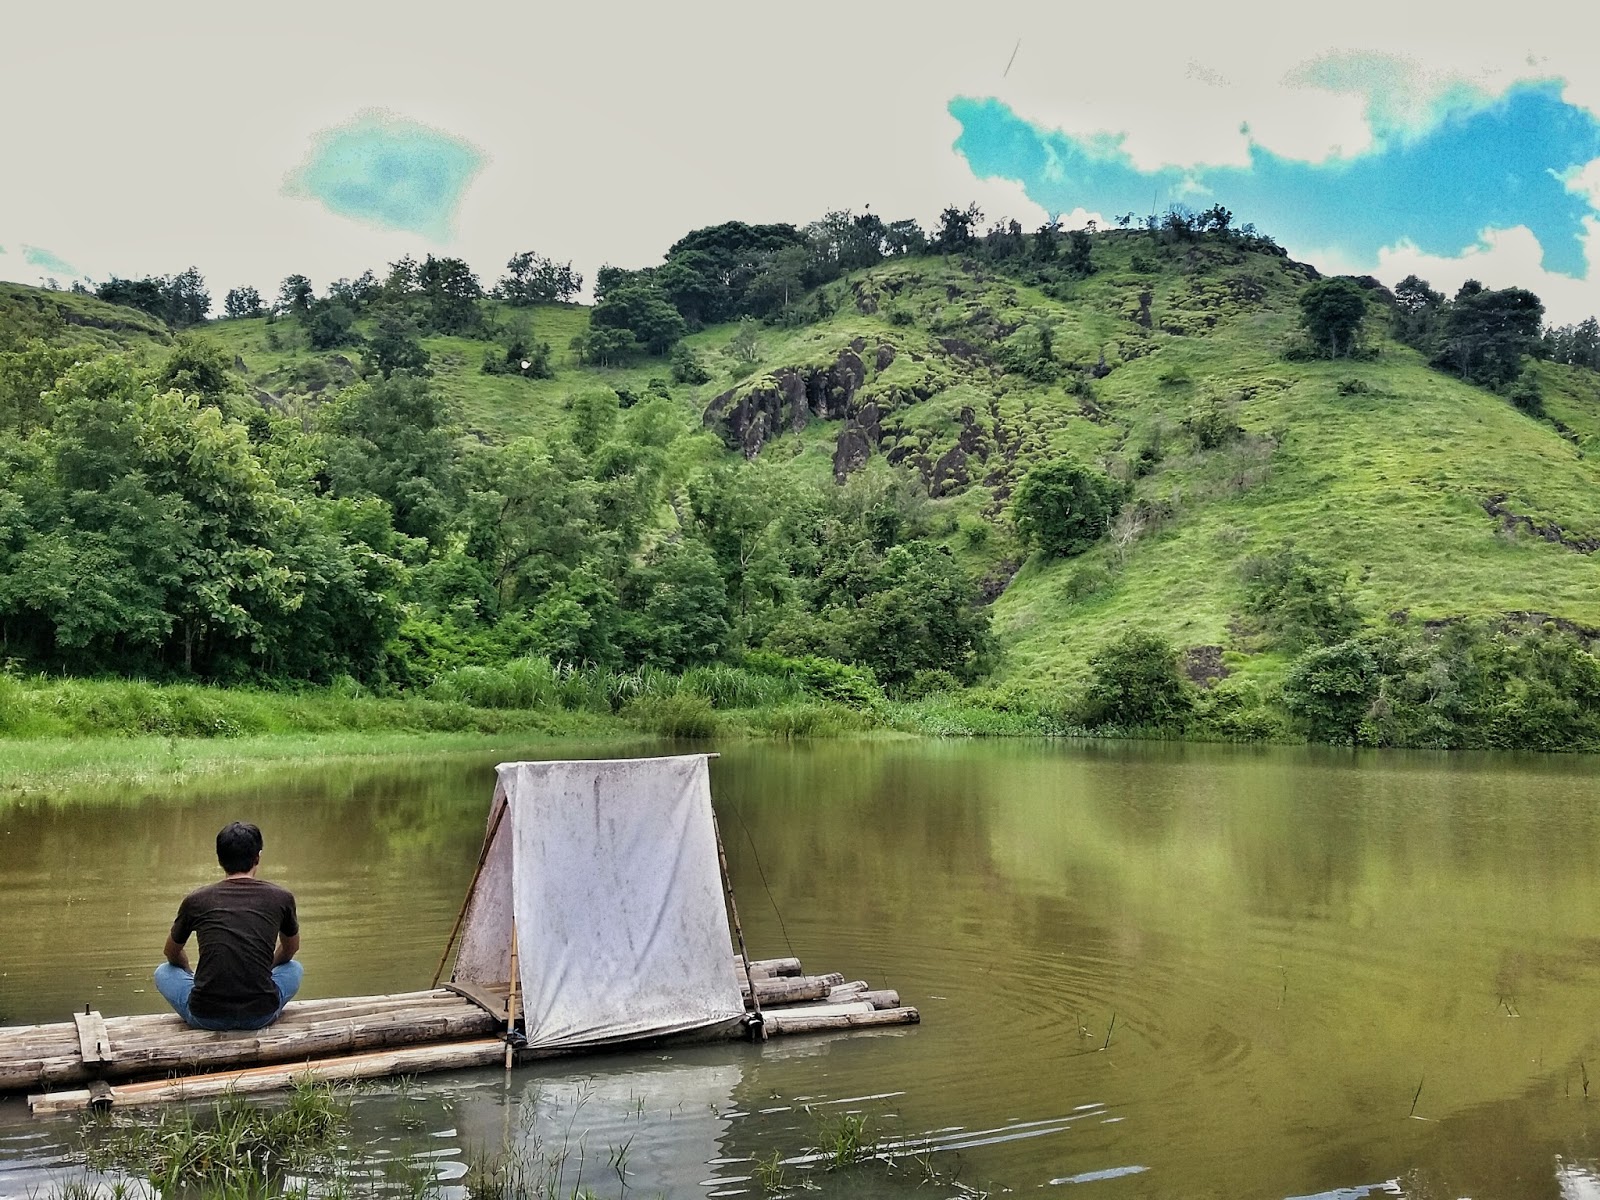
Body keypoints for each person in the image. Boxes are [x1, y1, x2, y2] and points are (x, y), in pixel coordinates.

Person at [154, 821, 303, 1031]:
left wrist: (190, 974)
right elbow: (291, 949)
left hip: (206, 1016)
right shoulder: (282, 898)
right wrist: (264, 971)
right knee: (294, 968)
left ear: (220, 859)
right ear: (258, 857)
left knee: (164, 971)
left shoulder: (196, 900)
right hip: (260, 1015)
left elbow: (171, 952)